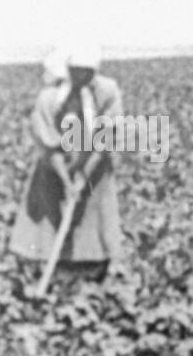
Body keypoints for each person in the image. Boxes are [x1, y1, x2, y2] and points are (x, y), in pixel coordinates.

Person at [8, 44, 123, 283]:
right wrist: (67, 180)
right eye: (77, 71)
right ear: (68, 69)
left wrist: (85, 175)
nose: (82, 76)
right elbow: (49, 145)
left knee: (92, 215)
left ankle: (92, 267)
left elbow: (105, 139)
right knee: (51, 214)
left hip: (95, 165)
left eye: (88, 71)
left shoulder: (107, 91)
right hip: (54, 166)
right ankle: (50, 266)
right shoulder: (49, 98)